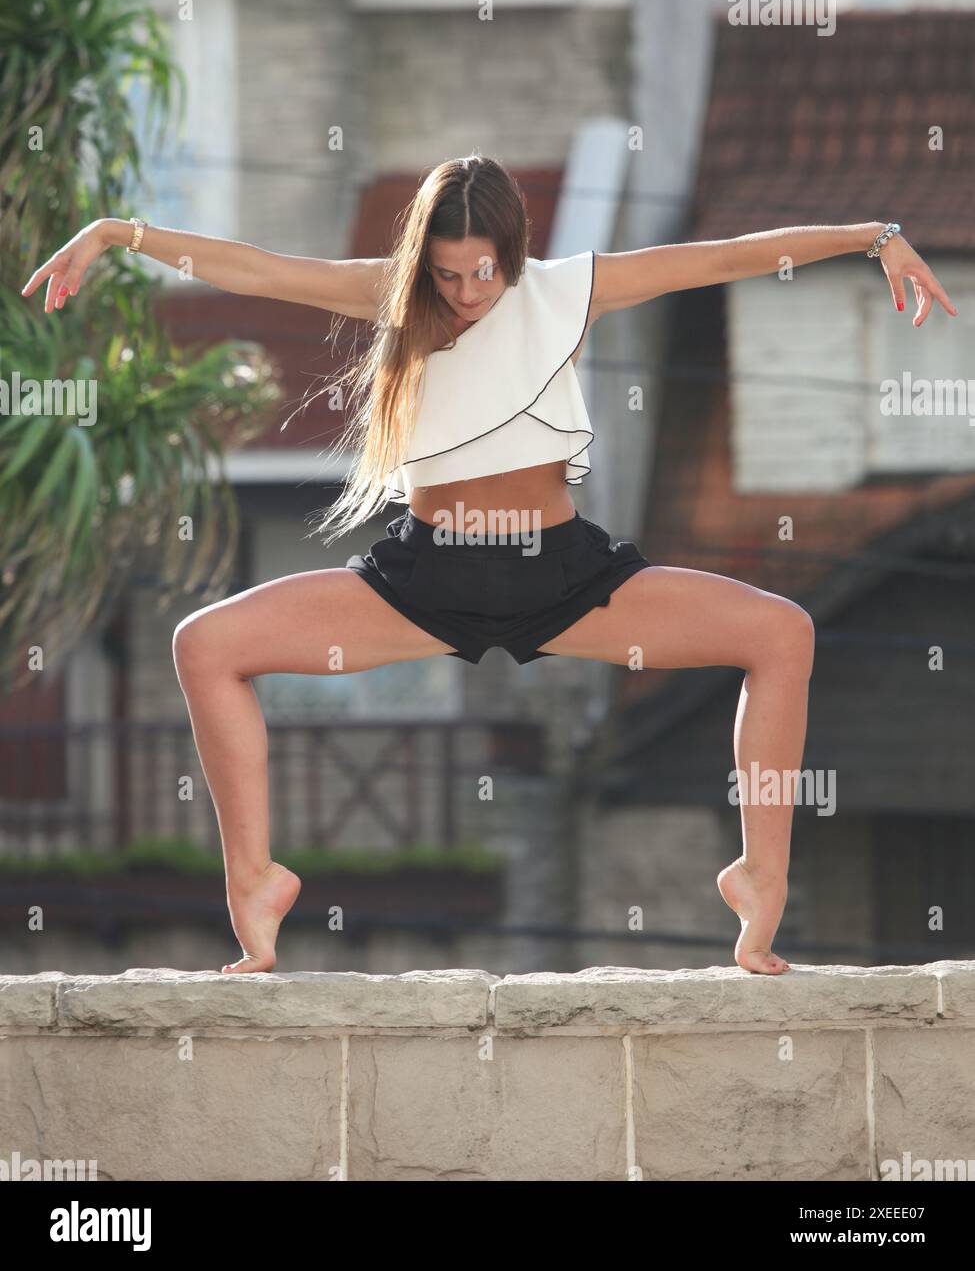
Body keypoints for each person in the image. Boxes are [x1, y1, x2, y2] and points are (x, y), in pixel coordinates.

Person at [22, 155, 957, 978]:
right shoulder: (393, 297)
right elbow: (257, 270)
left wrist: (876, 238)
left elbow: (725, 257)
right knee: (204, 644)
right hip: (425, 581)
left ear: (514, 250)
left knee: (779, 632)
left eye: (484, 272)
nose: (468, 291)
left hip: (563, 576)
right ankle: (255, 883)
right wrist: (118, 233)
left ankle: (758, 877)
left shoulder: (568, 289)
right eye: (447, 274)